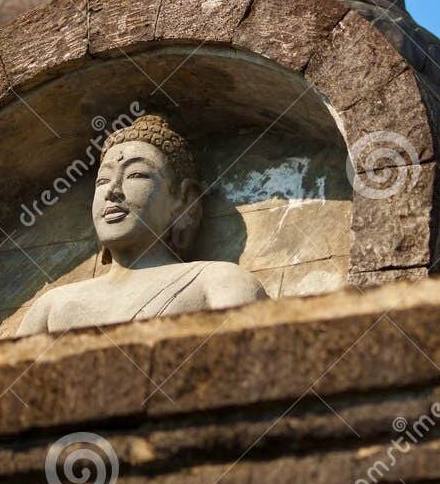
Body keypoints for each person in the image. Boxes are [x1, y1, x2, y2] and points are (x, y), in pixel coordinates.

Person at [15, 112, 266, 335]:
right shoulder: (51, 308)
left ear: (184, 200)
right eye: (103, 180)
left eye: (136, 175)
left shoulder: (217, 282)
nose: (112, 190)